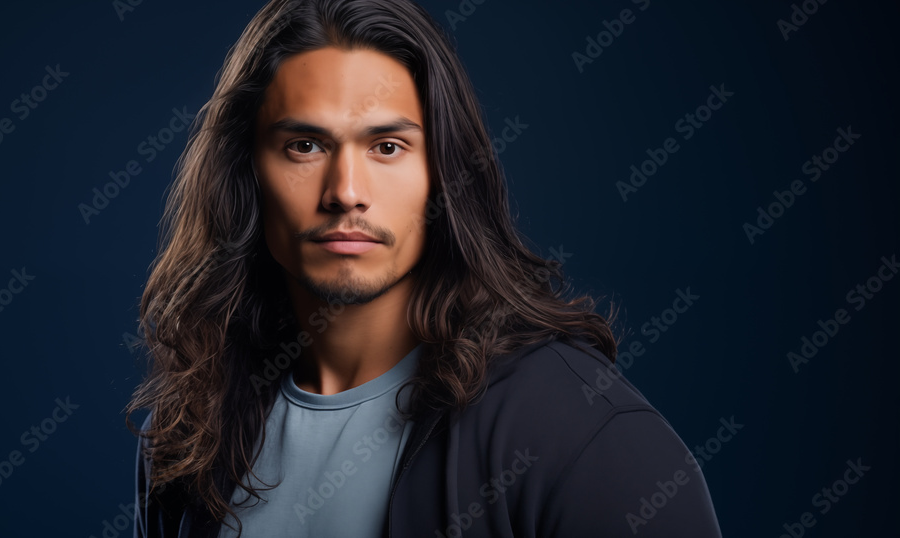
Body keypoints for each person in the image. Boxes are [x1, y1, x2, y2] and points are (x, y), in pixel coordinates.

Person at [127, 0, 723, 536]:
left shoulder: (578, 432)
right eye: (305, 146)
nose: (346, 192)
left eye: (387, 147)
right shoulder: (192, 430)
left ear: (443, 174)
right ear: (245, 175)